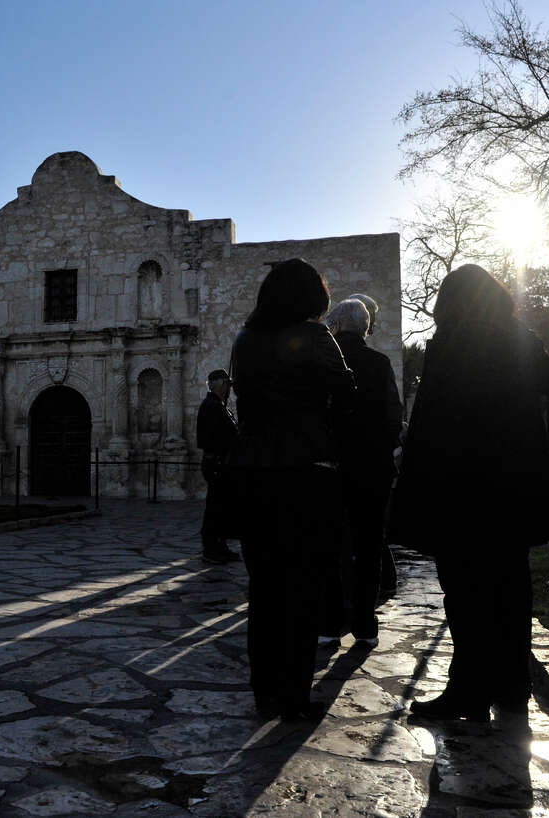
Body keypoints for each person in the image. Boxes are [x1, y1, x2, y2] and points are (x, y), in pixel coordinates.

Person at [388, 264, 549, 722]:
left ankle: (468, 691)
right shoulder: (515, 336)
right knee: (510, 589)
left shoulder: (454, 343)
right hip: (512, 491)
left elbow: (437, 422)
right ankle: (511, 690)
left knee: (467, 593)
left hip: (464, 491)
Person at [226, 257, 355, 721]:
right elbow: (348, 395)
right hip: (306, 470)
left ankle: (264, 691)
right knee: (303, 586)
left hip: (254, 471)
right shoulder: (317, 337)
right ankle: (293, 696)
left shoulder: (244, 340)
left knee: (264, 588)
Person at [321, 298, 404, 646]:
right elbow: (392, 416)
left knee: (330, 546)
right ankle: (365, 624)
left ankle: (330, 621)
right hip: (372, 469)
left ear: (337, 327)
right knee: (369, 546)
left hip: (331, 469)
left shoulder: (324, 362)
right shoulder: (379, 363)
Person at [197, 368, 240, 565]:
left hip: (222, 462)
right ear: (220, 385)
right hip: (217, 463)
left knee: (222, 507)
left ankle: (221, 546)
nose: (229, 389)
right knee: (215, 507)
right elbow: (214, 437)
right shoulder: (211, 407)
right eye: (227, 385)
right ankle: (210, 548)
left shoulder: (218, 406)